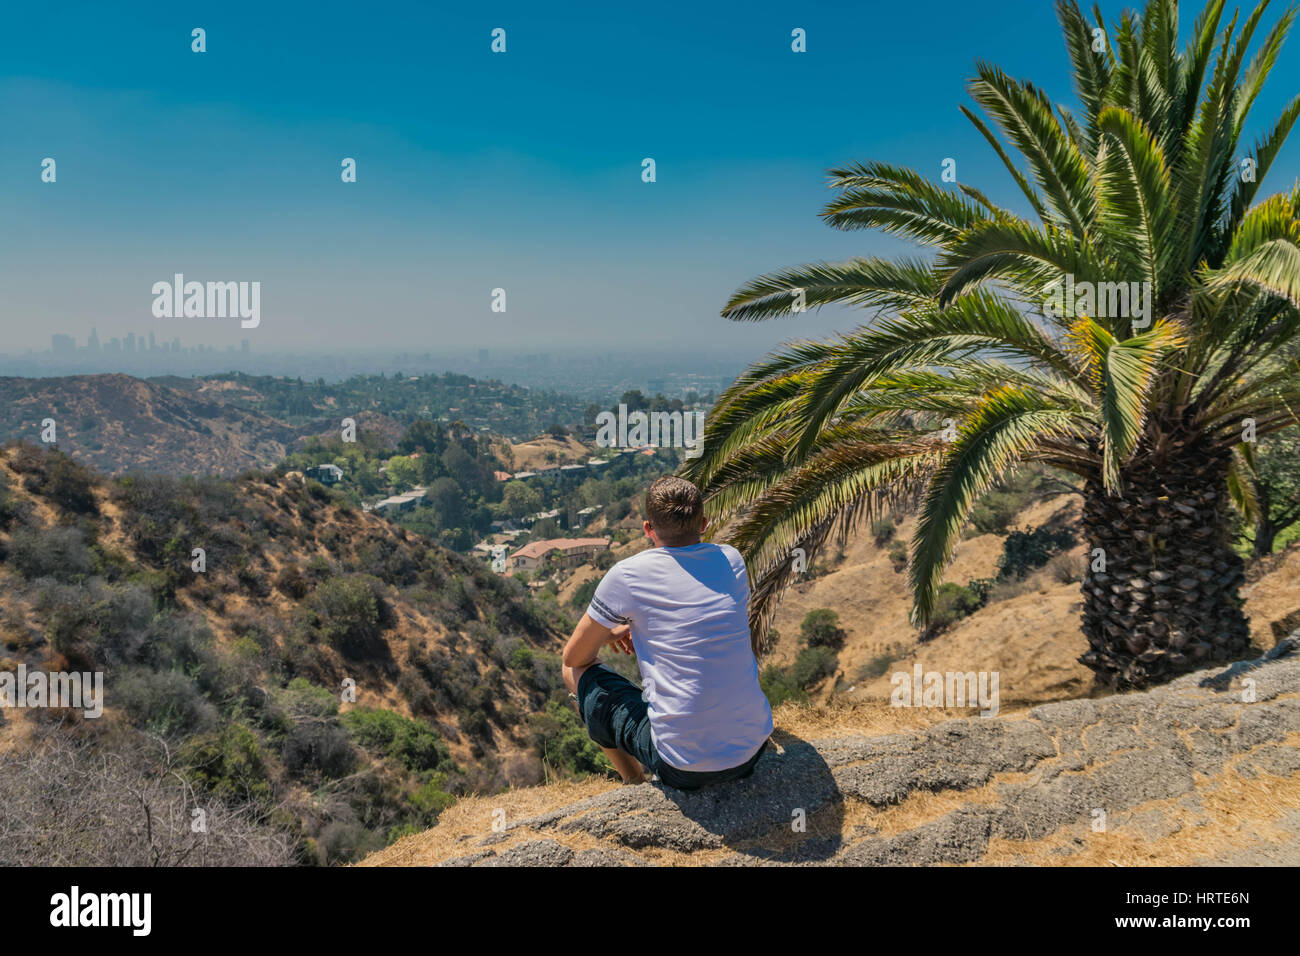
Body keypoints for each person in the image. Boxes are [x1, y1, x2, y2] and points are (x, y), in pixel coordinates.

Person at [561, 475, 773, 790]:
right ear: (703, 523)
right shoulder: (732, 560)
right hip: (753, 751)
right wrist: (636, 625)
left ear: (648, 529)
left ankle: (632, 780)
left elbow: (575, 655)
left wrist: (611, 633)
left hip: (683, 768)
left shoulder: (627, 575)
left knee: (574, 672)